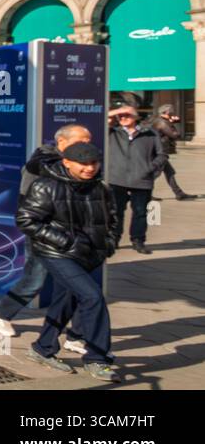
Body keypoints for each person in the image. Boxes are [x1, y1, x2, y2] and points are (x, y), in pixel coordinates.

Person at [16, 141, 120, 382]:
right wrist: (65, 242)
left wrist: (109, 244)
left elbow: (113, 219)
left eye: (94, 163)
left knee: (67, 298)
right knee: (92, 297)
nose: (90, 168)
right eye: (83, 164)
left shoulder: (101, 187)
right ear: (66, 162)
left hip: (89, 255)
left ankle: (43, 348)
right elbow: (26, 220)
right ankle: (98, 358)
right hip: (55, 252)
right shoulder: (45, 185)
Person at [0, 124, 92, 339]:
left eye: (88, 141)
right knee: (35, 279)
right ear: (62, 142)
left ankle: (77, 336)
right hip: (44, 231)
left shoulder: (81, 163)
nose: (86, 146)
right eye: (81, 141)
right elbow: (29, 202)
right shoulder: (41, 162)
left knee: (76, 285)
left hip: (71, 232)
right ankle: (2, 312)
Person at [106, 105, 167, 255]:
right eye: (121, 115)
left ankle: (138, 240)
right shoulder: (112, 132)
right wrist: (118, 111)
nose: (123, 117)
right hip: (116, 179)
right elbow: (101, 118)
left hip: (142, 180)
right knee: (116, 212)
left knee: (140, 212)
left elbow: (162, 155)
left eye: (127, 115)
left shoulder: (150, 133)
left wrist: (149, 169)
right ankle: (114, 239)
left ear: (136, 116)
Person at [151, 105, 197, 200]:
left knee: (170, 172)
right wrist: (172, 124)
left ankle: (179, 193)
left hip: (160, 151)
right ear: (167, 113)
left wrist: (172, 122)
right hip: (160, 152)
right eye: (171, 112)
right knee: (155, 173)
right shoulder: (162, 122)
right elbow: (175, 135)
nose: (173, 114)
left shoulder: (160, 121)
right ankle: (144, 193)